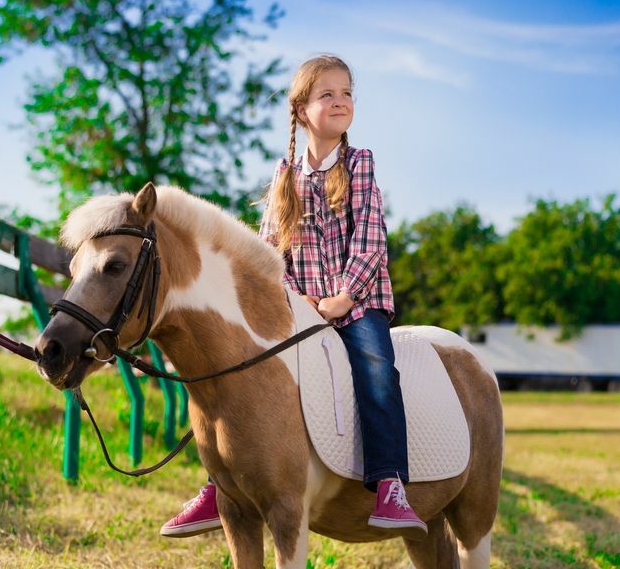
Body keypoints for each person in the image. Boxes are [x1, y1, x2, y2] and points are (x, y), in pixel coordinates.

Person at [161, 54, 426, 539]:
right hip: (297, 308)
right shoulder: (285, 176)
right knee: (240, 379)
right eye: (328, 94)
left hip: (357, 304)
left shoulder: (359, 164)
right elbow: (266, 254)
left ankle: (389, 483)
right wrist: (294, 300)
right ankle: (218, 484)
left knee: (376, 371)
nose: (341, 101)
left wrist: (342, 298)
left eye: (347, 93)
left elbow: (370, 240)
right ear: (302, 109)